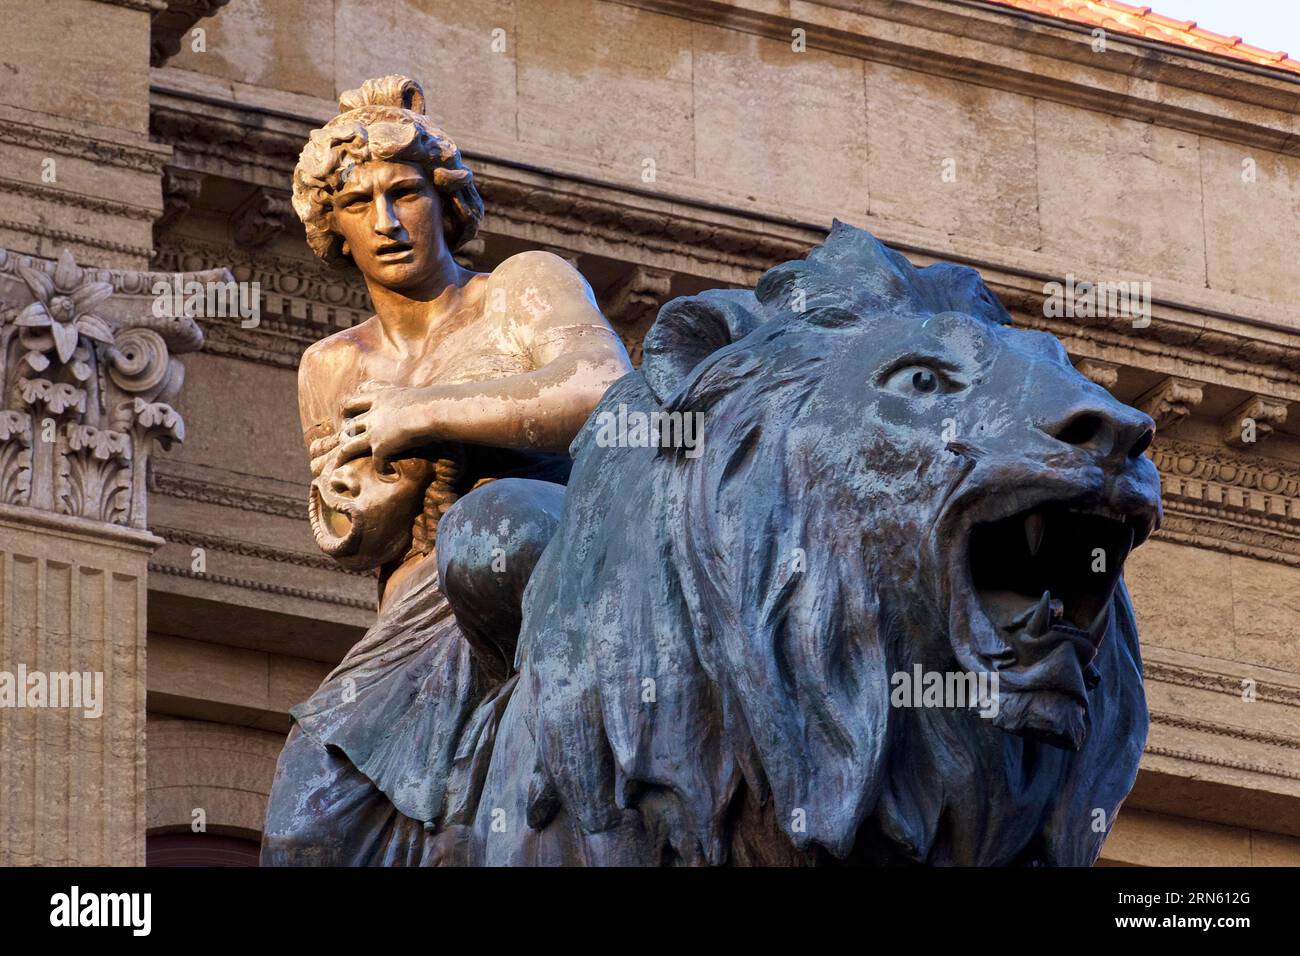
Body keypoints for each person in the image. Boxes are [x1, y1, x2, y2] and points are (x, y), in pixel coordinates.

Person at [262, 75, 631, 865]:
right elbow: (359, 540)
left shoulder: (520, 289)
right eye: (359, 205)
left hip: (539, 571)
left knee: (483, 531)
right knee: (303, 821)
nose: (388, 222)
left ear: (445, 198)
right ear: (333, 226)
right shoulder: (330, 365)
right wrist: (363, 501)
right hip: (413, 630)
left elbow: (604, 390)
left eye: (406, 193)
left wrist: (423, 413)